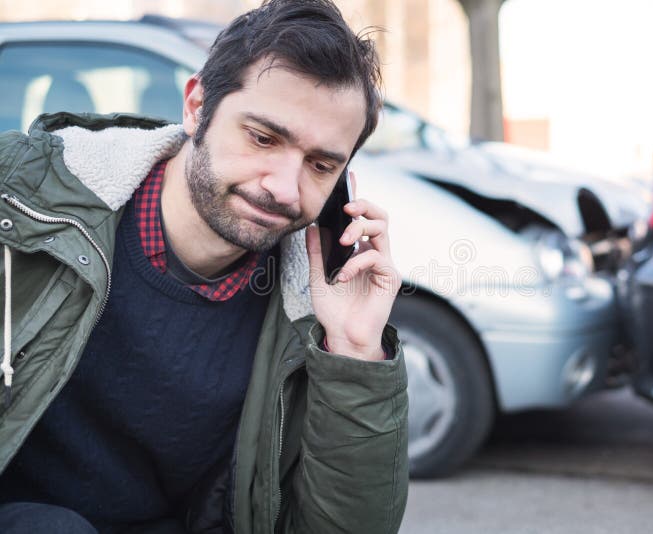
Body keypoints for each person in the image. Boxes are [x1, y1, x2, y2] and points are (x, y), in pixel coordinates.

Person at [0, 1, 408, 532]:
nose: (284, 189)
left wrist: (355, 356)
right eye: (263, 137)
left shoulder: (311, 314)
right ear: (196, 107)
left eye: (321, 164)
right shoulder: (21, 203)